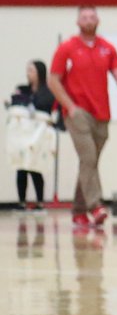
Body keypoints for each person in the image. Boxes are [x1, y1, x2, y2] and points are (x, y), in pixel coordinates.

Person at [48, 5, 117, 230]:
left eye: (92, 16)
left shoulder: (107, 48)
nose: (88, 20)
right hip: (77, 112)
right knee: (88, 158)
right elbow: (53, 80)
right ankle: (96, 206)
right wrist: (70, 106)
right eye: (84, 17)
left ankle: (78, 210)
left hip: (101, 113)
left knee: (90, 162)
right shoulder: (67, 48)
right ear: (78, 22)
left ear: (98, 20)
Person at [9, 60, 60, 211]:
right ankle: (22, 202)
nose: (28, 73)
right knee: (21, 167)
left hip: (38, 135)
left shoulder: (48, 92)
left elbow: (49, 111)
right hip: (23, 133)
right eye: (27, 70)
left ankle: (39, 202)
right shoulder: (23, 90)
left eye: (31, 70)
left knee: (35, 167)